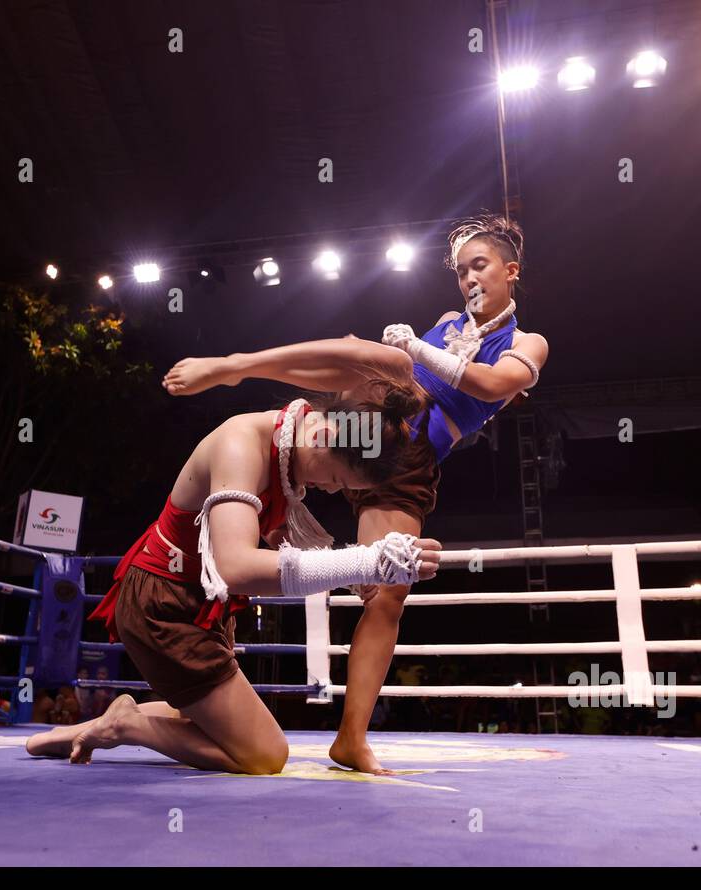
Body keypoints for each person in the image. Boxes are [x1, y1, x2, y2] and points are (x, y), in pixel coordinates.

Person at [161, 214, 548, 772]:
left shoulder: (527, 343)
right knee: (371, 356)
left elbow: (490, 385)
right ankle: (236, 367)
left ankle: (350, 738)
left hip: (407, 466)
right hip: (363, 428)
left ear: (510, 271)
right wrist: (403, 354)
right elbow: (371, 366)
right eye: (462, 271)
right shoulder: (445, 321)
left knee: (388, 593)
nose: (468, 280)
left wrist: (416, 347)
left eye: (479, 266)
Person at [25, 381, 442, 774]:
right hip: (163, 603)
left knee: (199, 720)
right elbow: (236, 567)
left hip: (199, 603)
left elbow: (274, 533)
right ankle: (124, 728)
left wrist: (352, 572)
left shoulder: (295, 435)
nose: (328, 490)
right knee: (265, 754)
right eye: (334, 478)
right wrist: (364, 562)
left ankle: (84, 730)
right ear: (321, 436)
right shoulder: (241, 446)